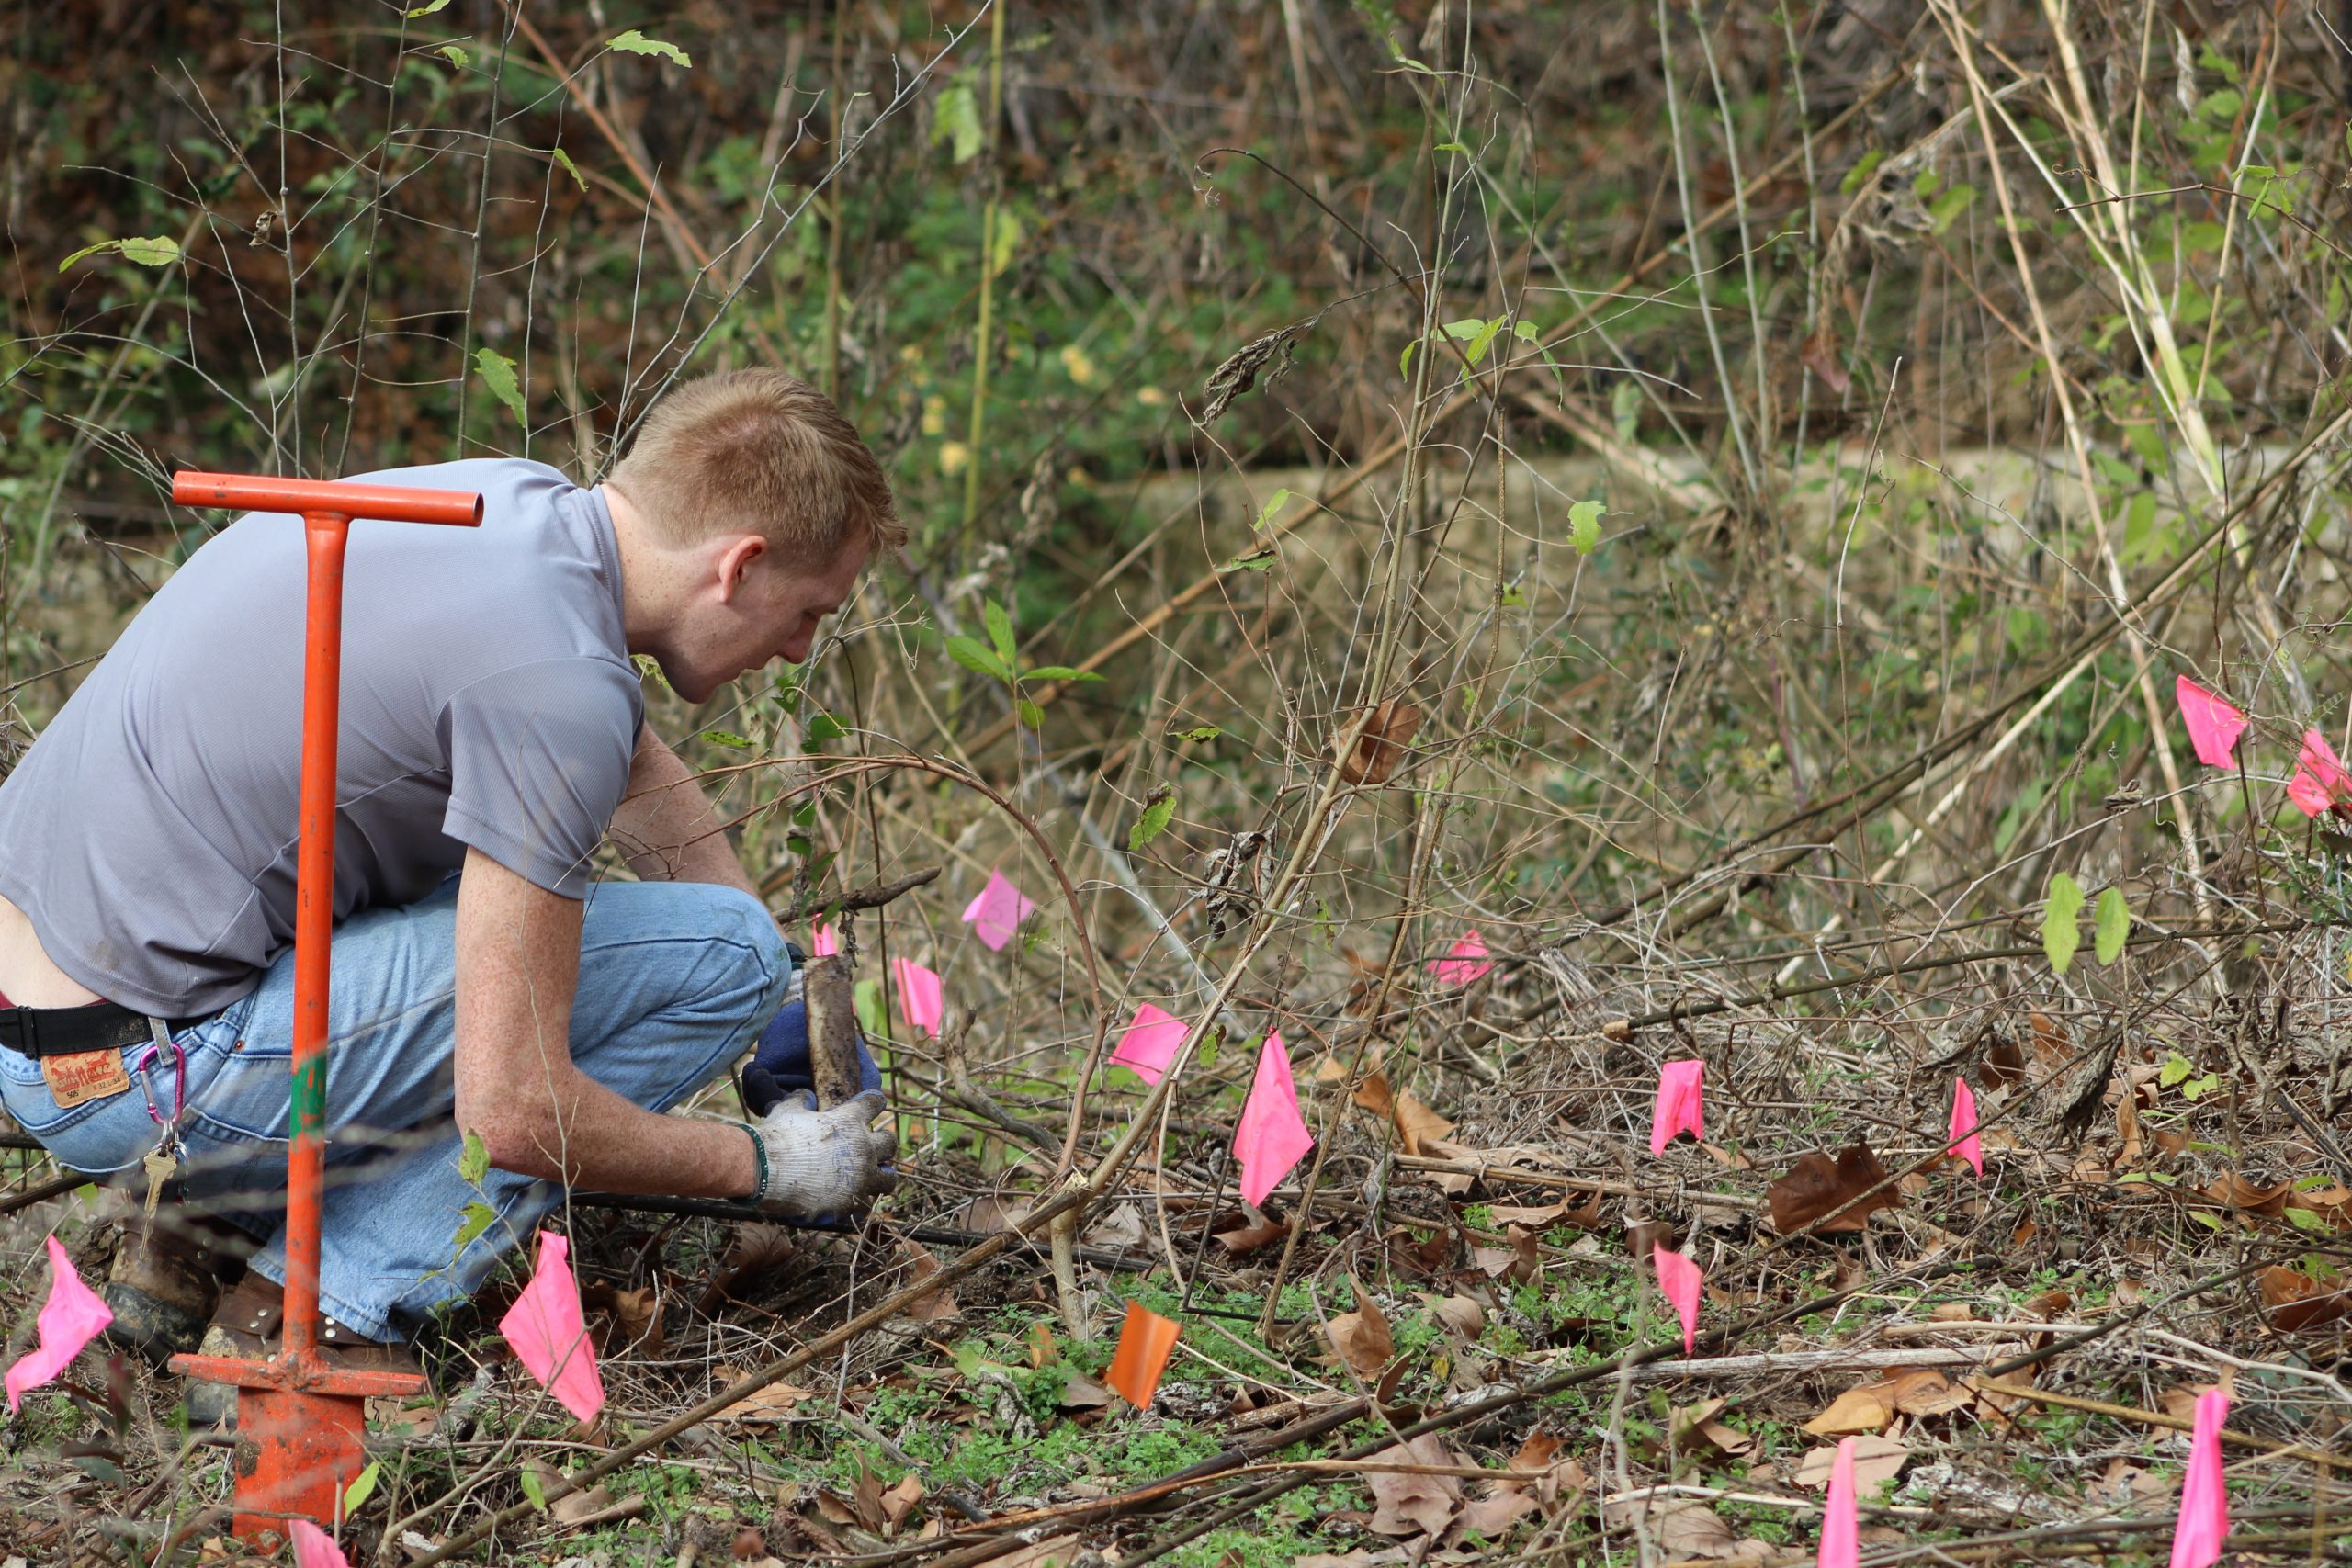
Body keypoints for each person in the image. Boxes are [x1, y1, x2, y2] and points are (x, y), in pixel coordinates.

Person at [0, 367, 899, 1422]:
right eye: (806, 613)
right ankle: (324, 1302)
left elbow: (632, 753)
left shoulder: (514, 508)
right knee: (723, 963)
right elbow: (514, 1112)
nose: (797, 648)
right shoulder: (559, 688)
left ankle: (226, 1213)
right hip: (140, 1072)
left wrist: (789, 996)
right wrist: (771, 1166)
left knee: (746, 954)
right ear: (739, 566)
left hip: (55, 1019)